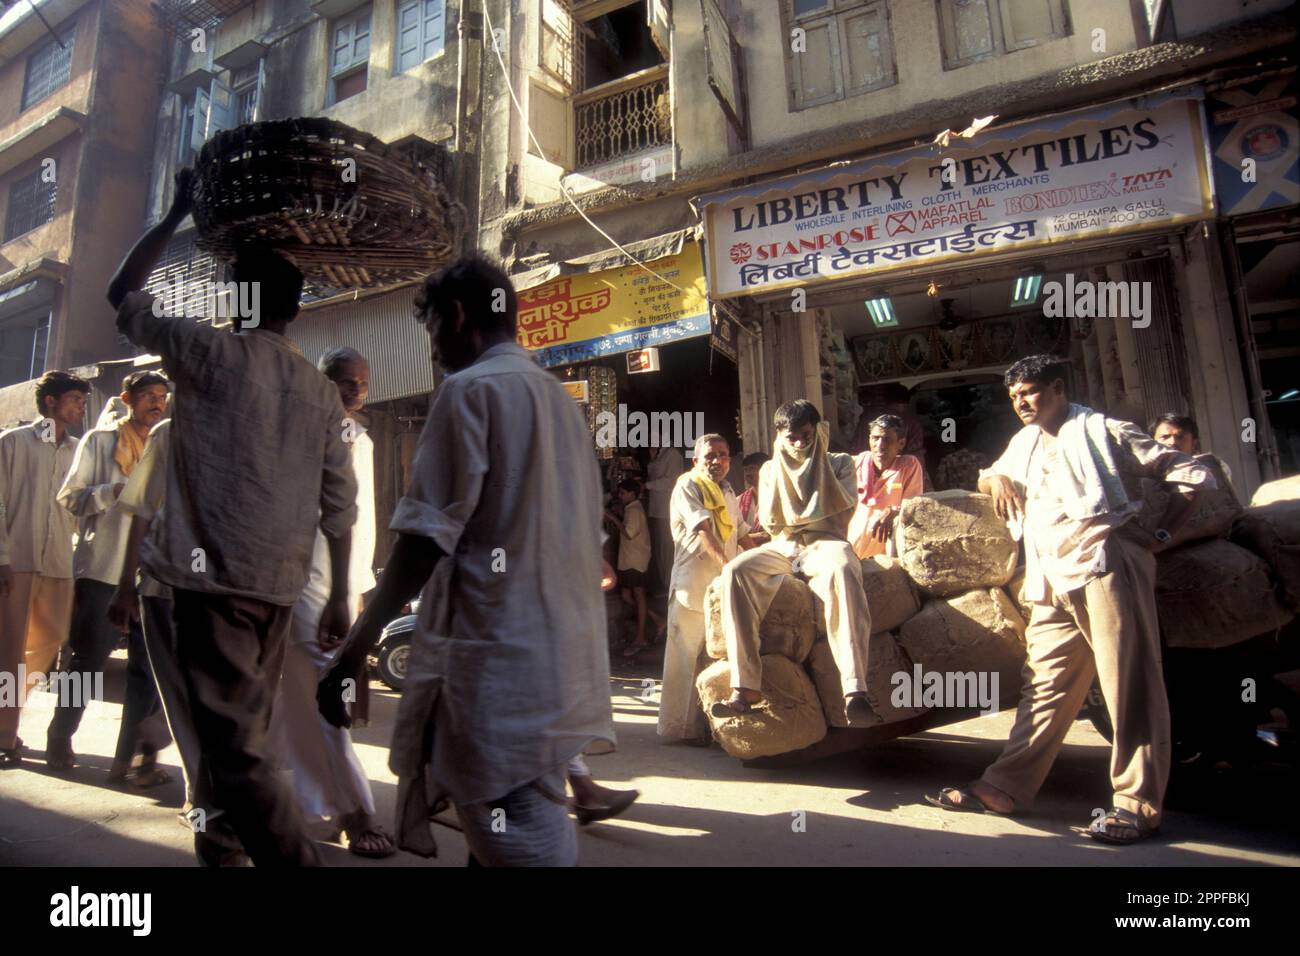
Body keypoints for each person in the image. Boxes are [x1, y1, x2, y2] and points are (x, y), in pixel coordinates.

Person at [318, 255, 613, 867]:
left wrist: (353, 649)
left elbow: (425, 540)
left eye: (433, 332)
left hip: (495, 661)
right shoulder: (557, 401)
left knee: (514, 833)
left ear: (457, 317)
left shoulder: (469, 391)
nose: (435, 349)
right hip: (558, 659)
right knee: (512, 817)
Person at [107, 167, 357, 867]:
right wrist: (336, 594)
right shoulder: (318, 391)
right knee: (234, 737)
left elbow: (121, 294)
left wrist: (174, 212)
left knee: (236, 748)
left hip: (210, 584)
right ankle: (221, 849)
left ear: (238, 299)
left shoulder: (207, 352)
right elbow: (341, 505)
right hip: (275, 588)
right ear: (293, 312)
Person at [927, 355, 1214, 845]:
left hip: (1105, 563)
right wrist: (993, 479)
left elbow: (1191, 475)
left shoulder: (1105, 430)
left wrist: (1161, 532)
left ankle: (1137, 805)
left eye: (1032, 392)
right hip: (1049, 577)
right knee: (1043, 686)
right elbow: (988, 474)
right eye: (1015, 396)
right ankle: (1004, 787)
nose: (1022, 402)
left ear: (1059, 388)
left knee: (1129, 686)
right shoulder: (1025, 442)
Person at [265, 347, 392, 857]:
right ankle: (356, 811)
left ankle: (272, 804)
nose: (355, 391)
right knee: (319, 695)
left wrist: (356, 588)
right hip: (307, 582)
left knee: (296, 697)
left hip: (343, 585)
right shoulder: (299, 428)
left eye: (361, 383)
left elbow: (360, 523)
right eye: (344, 382)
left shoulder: (359, 436)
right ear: (322, 381)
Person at [715, 400, 876, 724]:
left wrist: (809, 480)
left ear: (818, 430)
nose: (800, 443)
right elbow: (773, 525)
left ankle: (854, 689)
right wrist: (799, 512)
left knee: (845, 568)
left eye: (806, 435)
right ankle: (746, 685)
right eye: (792, 438)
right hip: (785, 546)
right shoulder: (771, 470)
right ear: (780, 437)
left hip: (826, 542)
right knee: (735, 571)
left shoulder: (840, 463)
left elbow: (843, 512)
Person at [47, 372, 169, 782]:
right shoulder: (99, 442)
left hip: (151, 575)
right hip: (103, 569)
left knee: (146, 671)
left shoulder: (166, 443)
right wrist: (111, 492)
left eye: (161, 397)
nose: (156, 403)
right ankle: (61, 734)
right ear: (127, 399)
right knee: (88, 663)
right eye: (148, 396)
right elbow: (69, 498)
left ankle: (129, 761)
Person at [0, 371, 87, 766]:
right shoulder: (14, 443)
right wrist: (1, 558)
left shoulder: (77, 451)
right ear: (51, 402)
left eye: (82, 402)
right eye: (73, 399)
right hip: (16, 561)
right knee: (8, 653)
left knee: (51, 642)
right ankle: (5, 734)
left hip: (57, 563)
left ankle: (9, 704)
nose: (80, 408)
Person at [657, 433, 752, 743]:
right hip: (693, 584)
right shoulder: (689, 485)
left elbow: (742, 535)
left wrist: (761, 562)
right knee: (684, 660)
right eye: (710, 455)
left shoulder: (727, 490)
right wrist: (729, 568)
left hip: (723, 587)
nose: (717, 461)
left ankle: (709, 729)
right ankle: (677, 731)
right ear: (696, 460)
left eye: (723, 455)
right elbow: (702, 531)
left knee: (714, 660)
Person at [847, 414, 924, 559]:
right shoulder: (853, 464)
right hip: (851, 548)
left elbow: (914, 506)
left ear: (901, 444)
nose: (880, 445)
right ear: (869, 439)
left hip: (887, 555)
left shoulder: (908, 466)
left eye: (887, 440)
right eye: (875, 438)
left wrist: (893, 511)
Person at [605, 478, 664, 658]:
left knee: (637, 596)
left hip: (635, 561)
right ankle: (657, 619)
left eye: (623, 493)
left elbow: (629, 533)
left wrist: (612, 517)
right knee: (626, 595)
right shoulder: (631, 509)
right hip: (629, 560)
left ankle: (640, 638)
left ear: (632, 494)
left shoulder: (635, 510)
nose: (621, 496)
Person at [1149, 412, 1238, 500]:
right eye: (1165, 437)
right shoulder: (1144, 471)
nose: (1173, 442)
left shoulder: (1211, 466)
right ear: (1152, 442)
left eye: (1180, 437)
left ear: (1193, 443)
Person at [644, 445, 685, 591]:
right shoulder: (658, 454)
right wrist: (652, 457)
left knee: (668, 549)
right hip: (656, 509)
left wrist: (646, 485)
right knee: (660, 549)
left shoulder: (672, 454)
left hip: (666, 510)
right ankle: (665, 584)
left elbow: (671, 481)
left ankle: (671, 585)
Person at [737, 452, 769, 529]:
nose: (748, 474)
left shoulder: (778, 496)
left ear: (765, 470)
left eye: (752, 469)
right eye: (746, 470)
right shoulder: (739, 501)